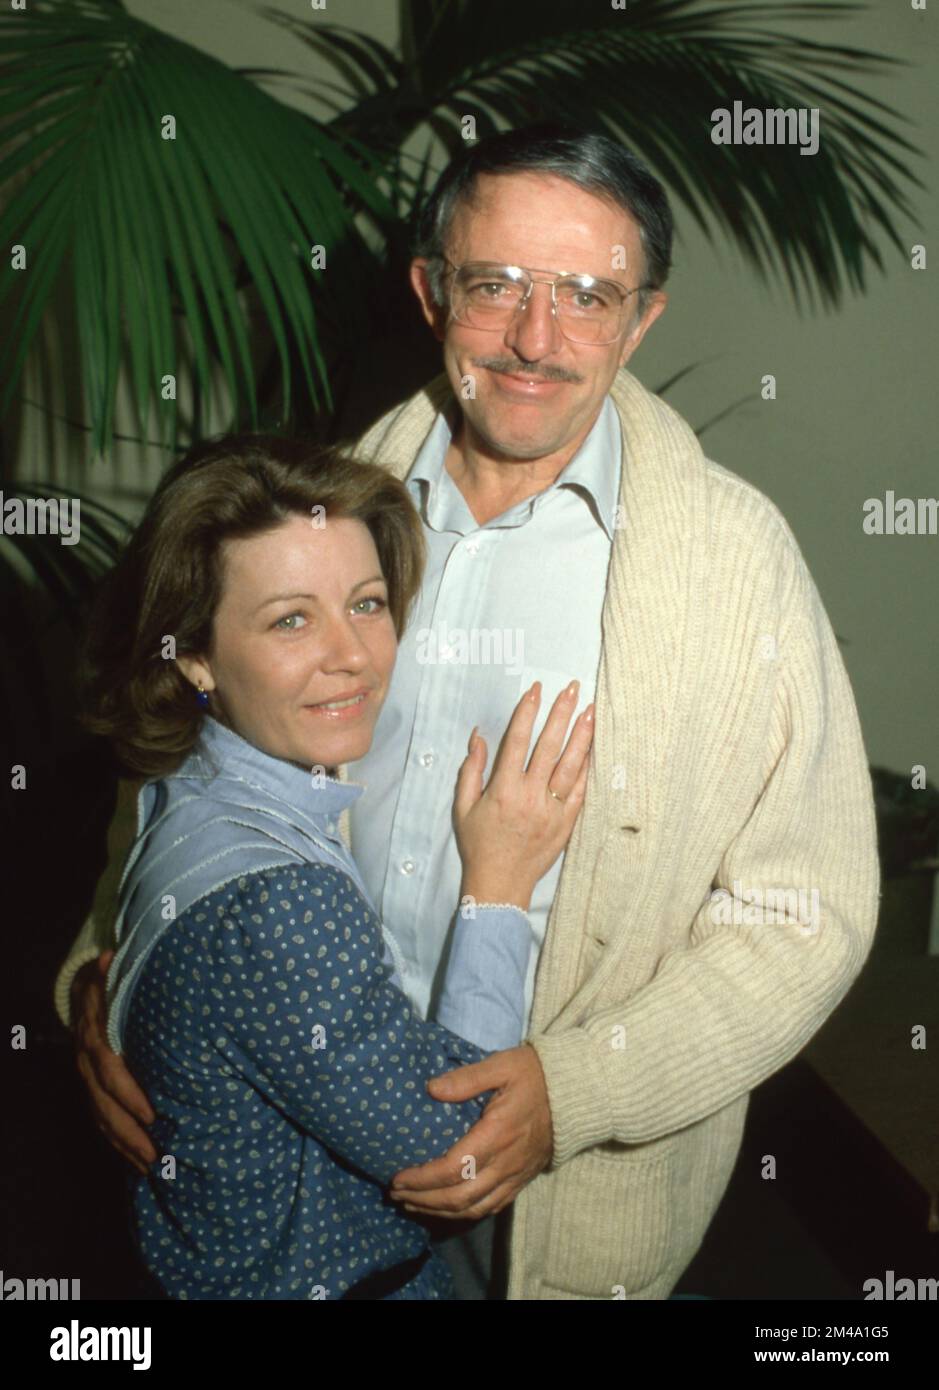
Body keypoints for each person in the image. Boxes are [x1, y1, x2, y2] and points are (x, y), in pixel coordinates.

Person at [58, 123, 880, 1301]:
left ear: (643, 319)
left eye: (589, 297)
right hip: (291, 1202)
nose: (536, 343)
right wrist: (106, 990)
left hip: (562, 1210)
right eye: (495, 285)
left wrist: (581, 1089)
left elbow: (808, 913)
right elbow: (180, 774)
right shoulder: (319, 513)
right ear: (431, 291)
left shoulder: (732, 566)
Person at [75, 434, 592, 1299]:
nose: (351, 654)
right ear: (194, 655)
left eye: (366, 603)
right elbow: (459, 1153)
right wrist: (497, 888)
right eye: (289, 619)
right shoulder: (276, 902)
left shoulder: (184, 787)